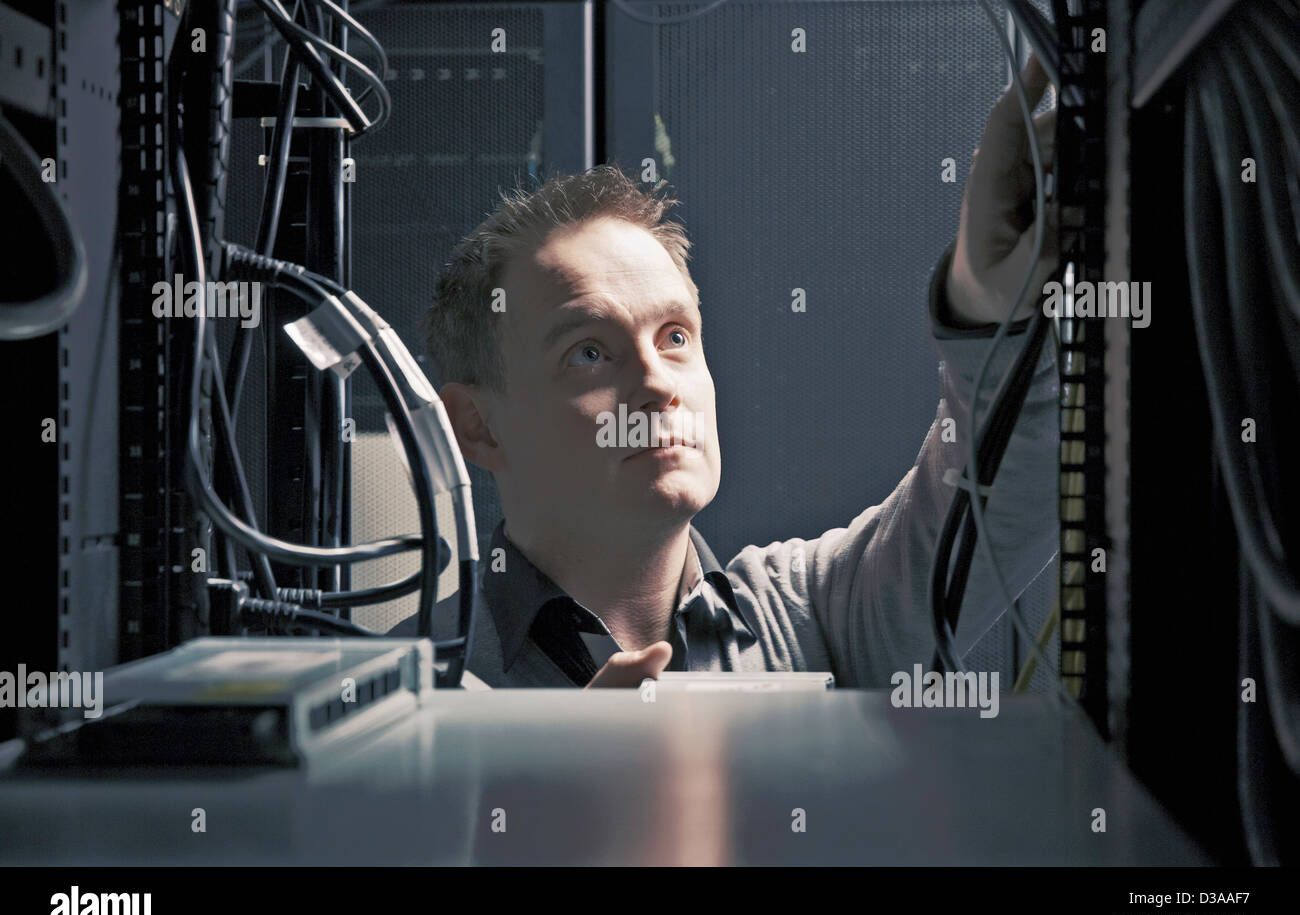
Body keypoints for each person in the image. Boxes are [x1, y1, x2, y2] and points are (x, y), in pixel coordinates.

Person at [391, 58, 1061, 690]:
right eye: (589, 352)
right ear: (479, 428)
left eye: (675, 336)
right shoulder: (405, 686)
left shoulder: (816, 616)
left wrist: (989, 311)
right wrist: (560, 791)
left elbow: (1002, 489)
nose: (658, 385)